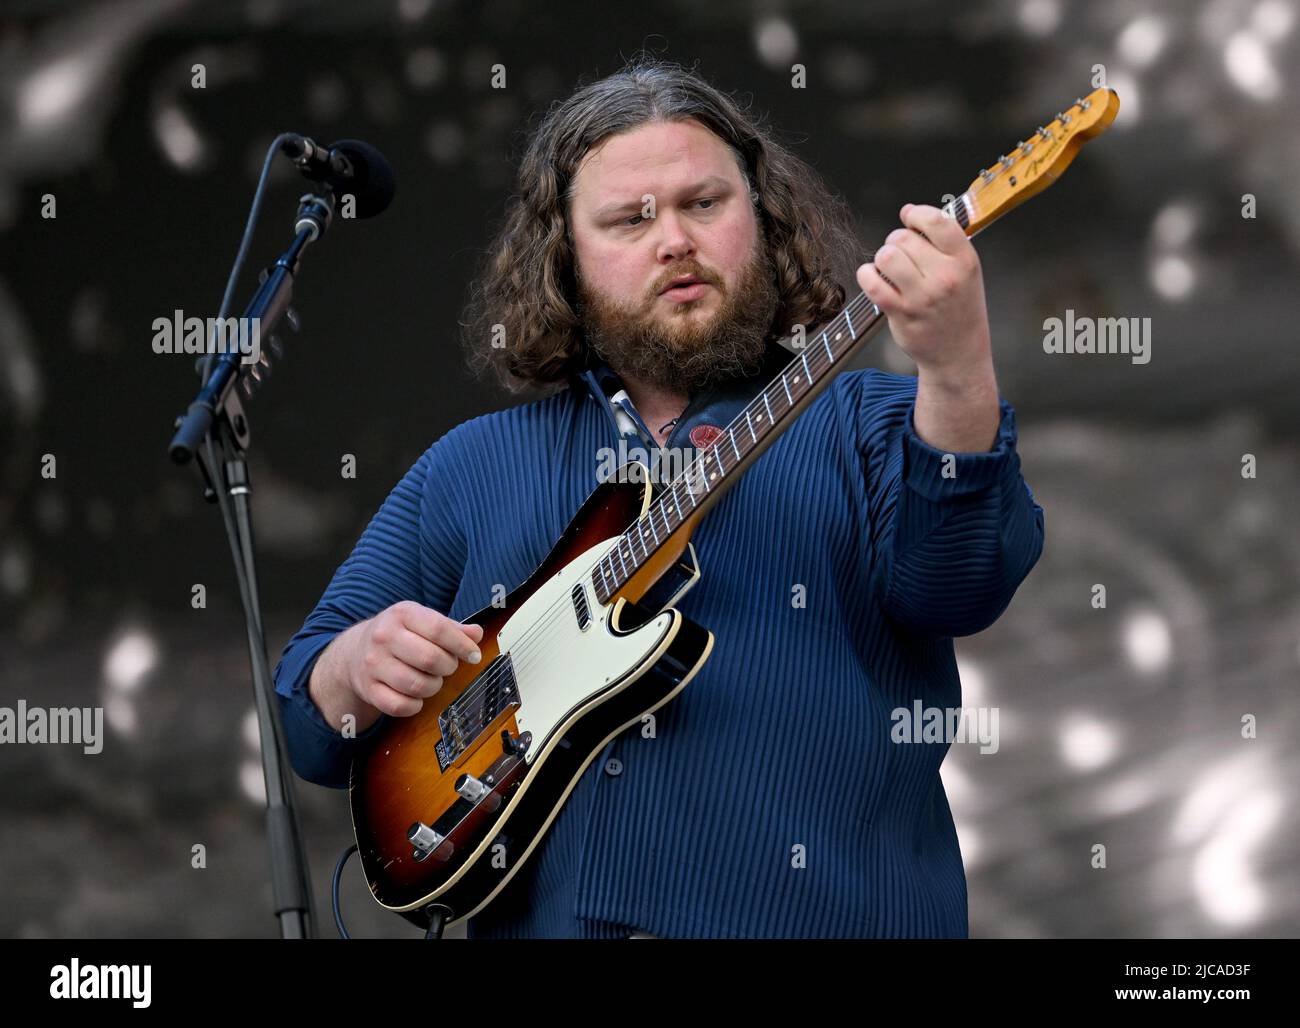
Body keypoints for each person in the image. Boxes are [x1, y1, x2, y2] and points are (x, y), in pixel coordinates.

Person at [272, 56, 1045, 939]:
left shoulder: (872, 426)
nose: (673, 238)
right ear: (564, 256)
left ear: (760, 217)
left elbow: (962, 586)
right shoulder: (470, 468)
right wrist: (355, 667)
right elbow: (307, 723)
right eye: (629, 219)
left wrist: (953, 367)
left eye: (703, 204)